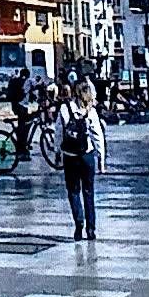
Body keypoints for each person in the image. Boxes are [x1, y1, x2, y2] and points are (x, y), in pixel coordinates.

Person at [58, 79, 105, 239]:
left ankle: (79, 224)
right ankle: (91, 229)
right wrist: (101, 159)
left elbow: (59, 133)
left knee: (73, 191)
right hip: (87, 155)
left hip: (70, 156)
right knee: (88, 192)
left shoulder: (64, 109)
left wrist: (58, 152)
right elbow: (97, 136)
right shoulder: (91, 111)